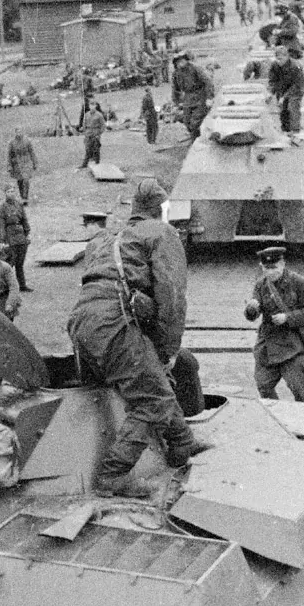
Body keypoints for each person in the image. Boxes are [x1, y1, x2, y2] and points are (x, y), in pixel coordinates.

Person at [67, 177, 204, 497]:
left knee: (151, 378)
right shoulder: (161, 233)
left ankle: (182, 441)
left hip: (82, 325)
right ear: (159, 209)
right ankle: (112, 476)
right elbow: (171, 296)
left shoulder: (107, 239)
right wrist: (169, 347)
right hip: (114, 325)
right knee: (151, 399)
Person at [245, 246, 304, 403]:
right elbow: (252, 315)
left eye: (274, 268)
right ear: (262, 267)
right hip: (268, 345)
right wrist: (251, 309)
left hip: (293, 345)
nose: (271, 272)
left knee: (298, 388)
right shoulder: (261, 285)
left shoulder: (299, 283)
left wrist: (288, 317)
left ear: (283, 264)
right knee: (263, 385)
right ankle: (277, 414)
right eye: (266, 268)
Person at [0, 185, 32, 292]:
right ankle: (7, 287)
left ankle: (22, 285)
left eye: (12, 191)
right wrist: (2, 240)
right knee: (9, 264)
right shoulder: (1, 208)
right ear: (5, 193)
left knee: (20, 264)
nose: (11, 193)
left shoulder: (18, 205)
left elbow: (24, 220)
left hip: (21, 237)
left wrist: (27, 233)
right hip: (10, 238)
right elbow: (1, 226)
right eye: (9, 191)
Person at [171, 52, 212, 142]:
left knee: (195, 123)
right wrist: (175, 104)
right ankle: (196, 137)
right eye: (178, 62)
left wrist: (209, 98)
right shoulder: (176, 73)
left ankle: (196, 142)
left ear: (186, 60)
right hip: (188, 98)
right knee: (187, 121)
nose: (180, 63)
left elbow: (207, 82)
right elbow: (175, 89)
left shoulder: (195, 68)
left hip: (200, 96)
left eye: (182, 60)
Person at [267, 45, 304, 134]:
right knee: (282, 109)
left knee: (293, 106)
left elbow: (297, 84)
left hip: (297, 88)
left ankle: (295, 130)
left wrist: (284, 97)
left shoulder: (295, 66)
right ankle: (285, 130)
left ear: (287, 57)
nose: (279, 61)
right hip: (282, 87)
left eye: (281, 59)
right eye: (277, 58)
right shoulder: (274, 65)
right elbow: (272, 80)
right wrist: (270, 92)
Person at [7, 126, 38, 203]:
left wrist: (34, 163)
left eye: (20, 131)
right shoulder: (12, 143)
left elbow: (32, 152)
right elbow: (9, 155)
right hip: (16, 164)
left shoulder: (27, 141)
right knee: (20, 181)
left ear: (22, 132)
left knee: (26, 180)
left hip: (26, 162)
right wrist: (9, 166)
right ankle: (22, 196)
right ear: (15, 133)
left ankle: (25, 198)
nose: (19, 133)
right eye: (17, 132)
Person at [81, 102, 106, 168]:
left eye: (93, 105)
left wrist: (99, 133)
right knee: (87, 148)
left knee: (96, 149)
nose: (92, 107)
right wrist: (85, 132)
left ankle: (97, 163)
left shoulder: (99, 115)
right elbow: (84, 124)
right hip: (88, 133)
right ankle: (84, 164)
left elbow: (103, 125)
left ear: (95, 106)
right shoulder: (86, 114)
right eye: (90, 105)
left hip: (96, 133)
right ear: (89, 106)